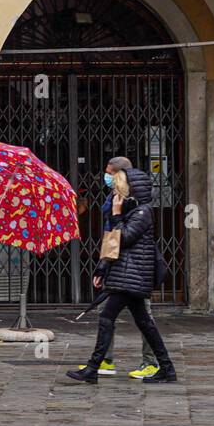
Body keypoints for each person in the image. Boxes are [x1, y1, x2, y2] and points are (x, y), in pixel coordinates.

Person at [67, 158, 176, 385]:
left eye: (117, 184)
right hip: (126, 274)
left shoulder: (142, 213)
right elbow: (113, 246)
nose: (114, 189)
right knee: (144, 323)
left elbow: (123, 238)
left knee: (107, 317)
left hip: (133, 276)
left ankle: (94, 367)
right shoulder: (130, 211)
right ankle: (166, 368)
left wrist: (116, 215)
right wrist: (102, 268)